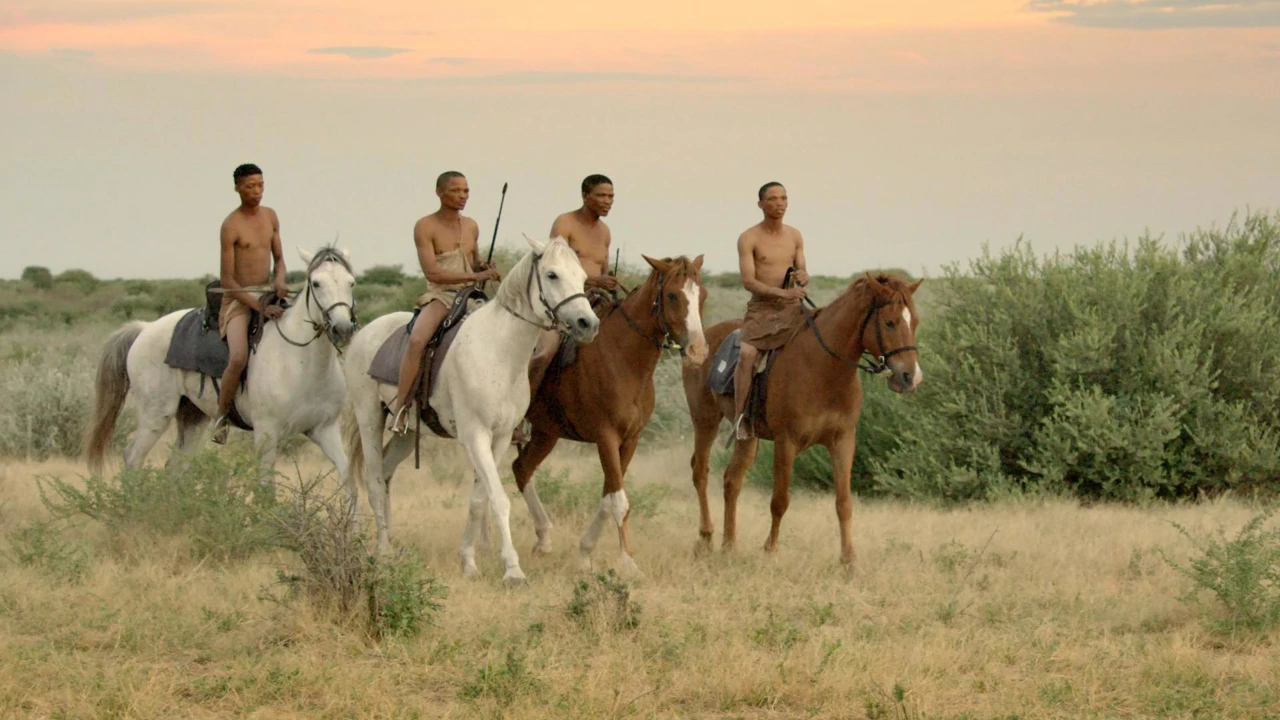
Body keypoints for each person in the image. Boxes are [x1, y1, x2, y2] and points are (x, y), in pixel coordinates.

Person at [386, 171, 501, 434]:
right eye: (456, 190)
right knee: (417, 340)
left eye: (466, 191)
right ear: (439, 192)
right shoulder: (425, 226)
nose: (462, 196)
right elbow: (432, 273)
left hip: (471, 297)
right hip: (441, 296)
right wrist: (476, 274)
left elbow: (473, 261)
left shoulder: (471, 225)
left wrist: (483, 266)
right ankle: (401, 408)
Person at [210, 163, 290, 444]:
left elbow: (279, 259)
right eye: (249, 186)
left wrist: (280, 280)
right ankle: (222, 417)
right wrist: (259, 307)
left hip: (269, 292)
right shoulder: (230, 225)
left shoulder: (270, 216)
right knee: (239, 356)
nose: (256, 192)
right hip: (240, 299)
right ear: (237, 188)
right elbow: (228, 279)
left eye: (260, 185)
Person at [525, 174, 621, 395]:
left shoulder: (604, 231)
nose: (607, 201)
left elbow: (603, 268)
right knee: (545, 353)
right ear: (585, 196)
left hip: (596, 300)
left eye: (611, 196)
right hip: (564, 300)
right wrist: (595, 280)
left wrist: (608, 282)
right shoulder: (565, 223)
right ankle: (523, 410)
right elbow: (555, 265)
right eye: (601, 195)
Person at [732, 181, 809, 440]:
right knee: (747, 354)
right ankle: (740, 418)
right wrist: (782, 292)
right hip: (762, 309)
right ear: (761, 204)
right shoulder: (748, 237)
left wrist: (802, 278)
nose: (780, 203)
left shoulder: (795, 235)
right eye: (773, 199)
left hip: (792, 308)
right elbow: (749, 281)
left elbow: (802, 271)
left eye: (784, 198)